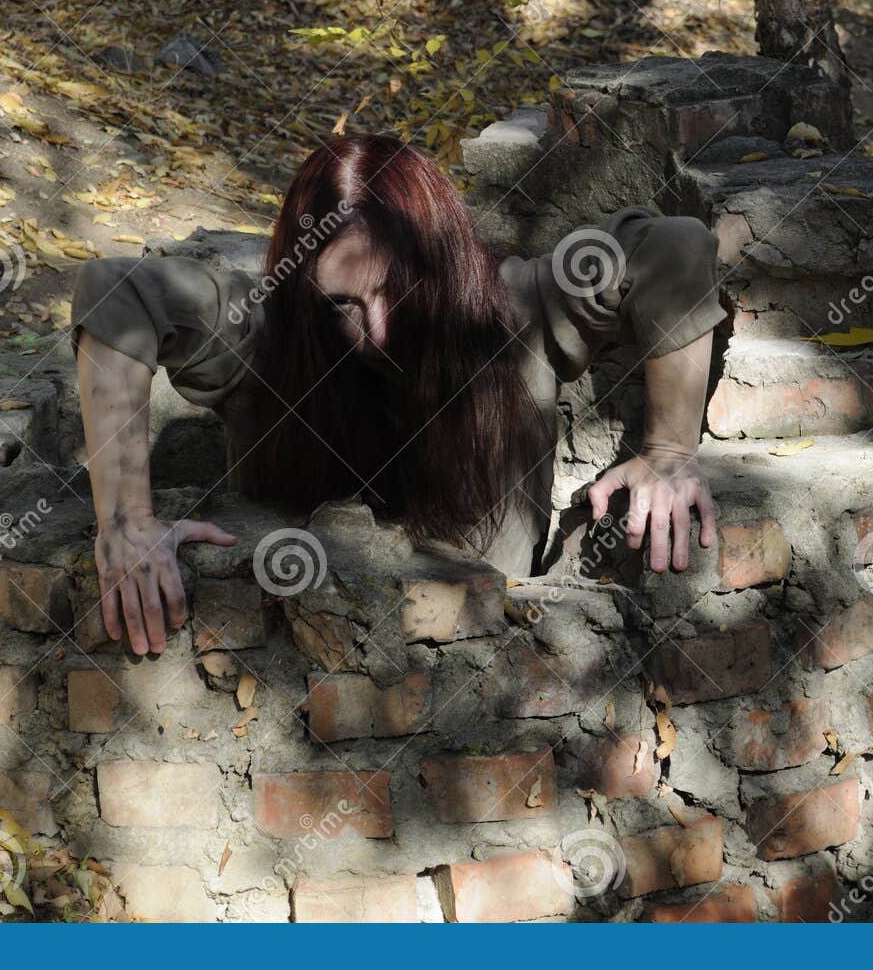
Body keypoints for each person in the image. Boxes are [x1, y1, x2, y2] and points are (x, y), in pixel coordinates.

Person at [71, 133, 726, 655]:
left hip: (498, 673)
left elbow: (675, 247)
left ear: (442, 264)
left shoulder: (515, 307)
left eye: (397, 289)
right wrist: (125, 525)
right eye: (343, 304)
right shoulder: (270, 333)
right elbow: (116, 292)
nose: (378, 331)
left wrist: (669, 450)